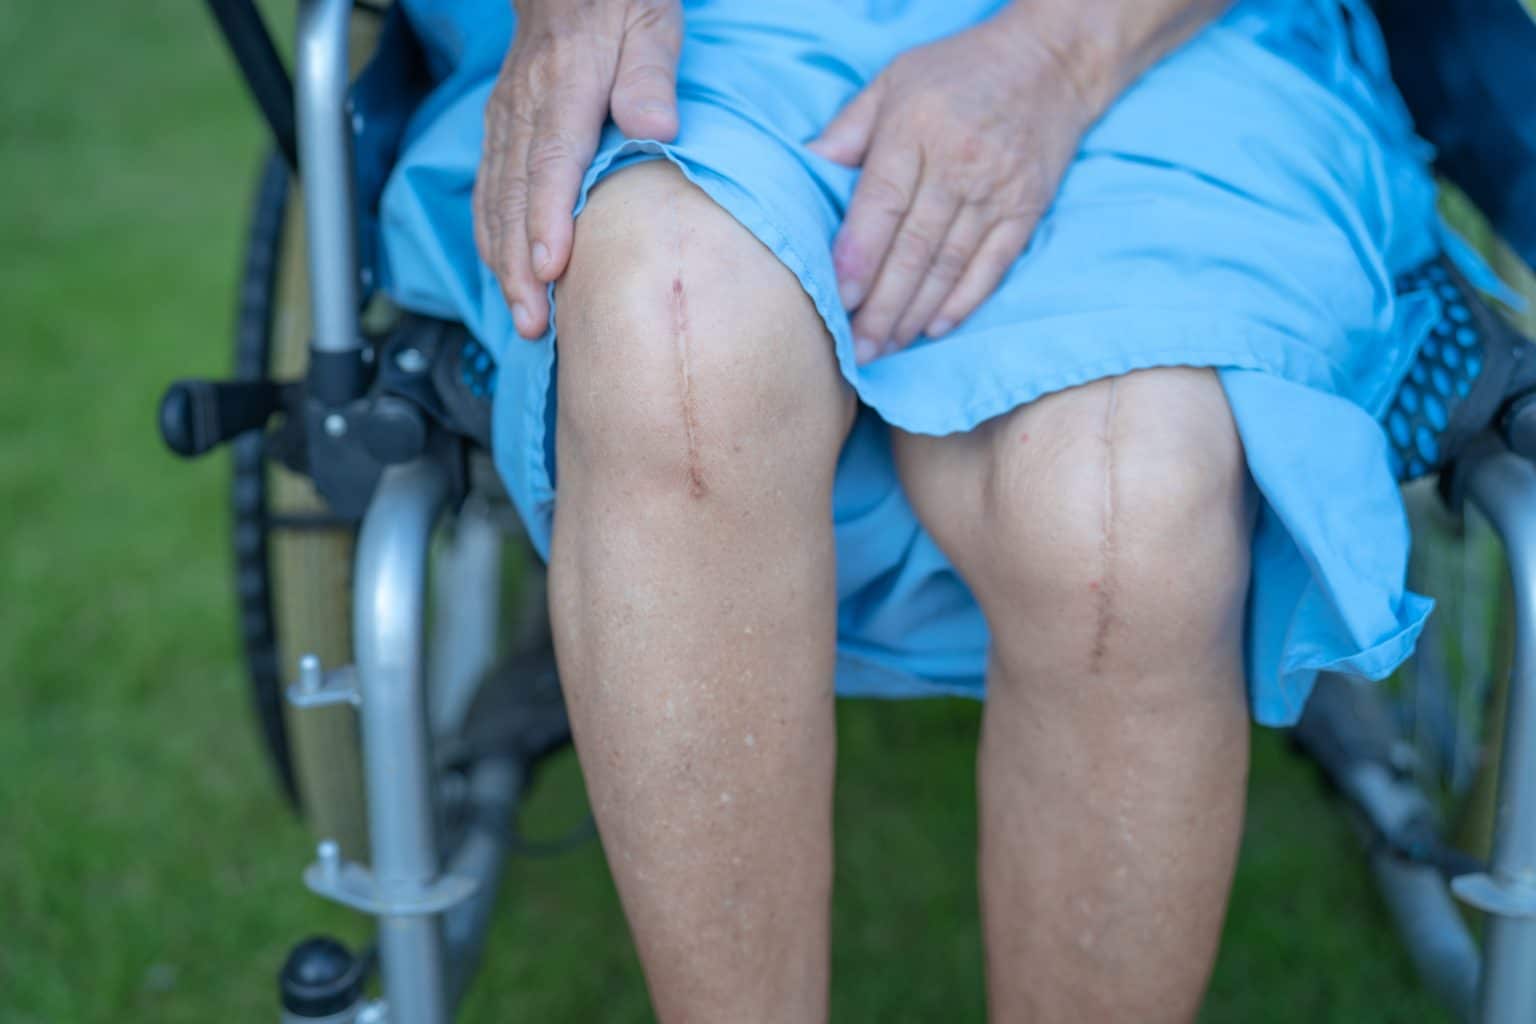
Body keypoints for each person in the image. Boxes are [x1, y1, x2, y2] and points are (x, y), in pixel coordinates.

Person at [377, 0, 1446, 1018]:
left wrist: (1056, 53)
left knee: (1126, 505)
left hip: (1164, 47)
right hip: (709, 34)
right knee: (677, 337)